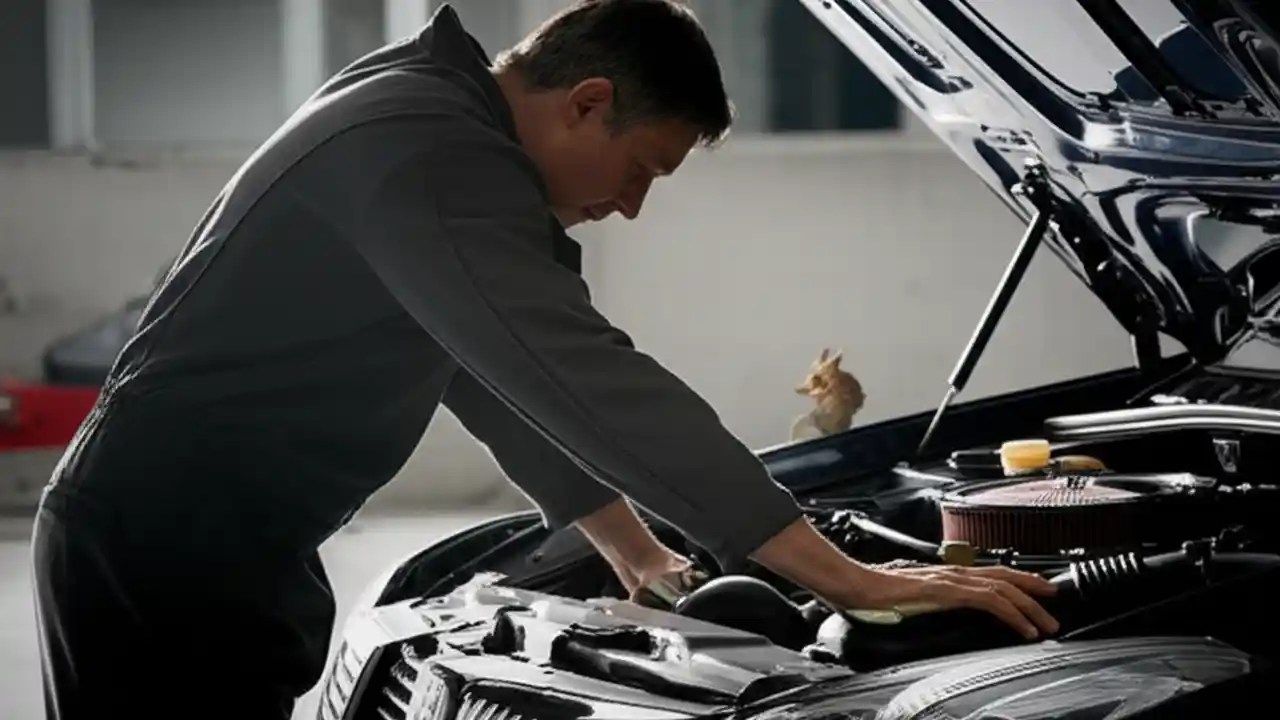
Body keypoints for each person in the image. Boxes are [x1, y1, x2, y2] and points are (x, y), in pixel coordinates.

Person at [31, 2, 1058, 718]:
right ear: (586, 101)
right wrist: (845, 579)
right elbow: (578, 374)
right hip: (160, 551)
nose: (631, 206)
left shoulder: (430, 117)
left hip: (205, 543)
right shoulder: (429, 148)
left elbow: (490, 376)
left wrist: (634, 551)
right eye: (641, 169)